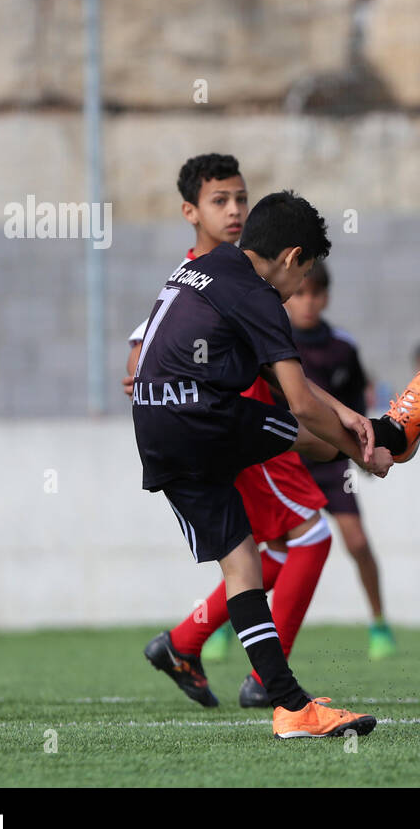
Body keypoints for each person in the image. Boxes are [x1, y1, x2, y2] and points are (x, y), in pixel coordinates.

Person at [131, 186, 420, 739]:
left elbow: (282, 380)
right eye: (306, 274)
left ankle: (289, 707)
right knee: (317, 445)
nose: (301, 288)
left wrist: (349, 413)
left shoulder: (204, 268)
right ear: (293, 257)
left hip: (157, 428)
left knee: (243, 567)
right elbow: (298, 403)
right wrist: (366, 452)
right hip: (203, 421)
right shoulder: (258, 297)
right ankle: (393, 440)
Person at [123, 154, 339, 710]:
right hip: (224, 421)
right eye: (221, 201)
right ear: (190, 212)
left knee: (253, 554)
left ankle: (188, 642)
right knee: (309, 535)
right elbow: (145, 347)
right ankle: (264, 679)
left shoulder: (216, 270)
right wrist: (369, 438)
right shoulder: (221, 271)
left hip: (195, 423)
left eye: (242, 198)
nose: (235, 210)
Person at [285, 262, 397, 660]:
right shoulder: (273, 343)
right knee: (266, 551)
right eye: (300, 293)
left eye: (315, 293)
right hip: (289, 460)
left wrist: (364, 451)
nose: (308, 301)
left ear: (326, 297)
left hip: (333, 463)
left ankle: (380, 624)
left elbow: (354, 407)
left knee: (358, 542)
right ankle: (231, 626)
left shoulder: (342, 347)